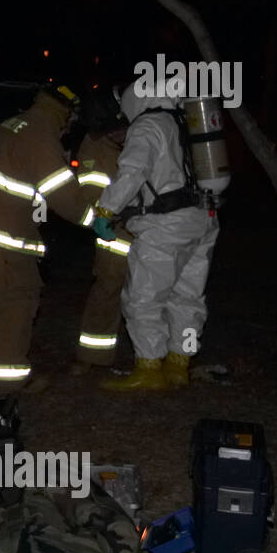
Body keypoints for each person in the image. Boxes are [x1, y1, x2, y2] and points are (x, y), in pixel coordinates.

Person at [0, 84, 95, 393]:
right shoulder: (40, 136)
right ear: (64, 112)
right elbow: (63, 196)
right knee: (14, 303)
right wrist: (94, 219)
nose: (71, 125)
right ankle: (8, 383)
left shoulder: (8, 125)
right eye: (71, 117)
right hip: (4, 239)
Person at [92, 77, 219, 391]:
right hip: (203, 219)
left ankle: (149, 369)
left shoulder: (148, 126)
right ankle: (179, 363)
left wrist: (106, 211)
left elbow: (132, 172)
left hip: (166, 226)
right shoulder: (184, 123)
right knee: (188, 296)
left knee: (143, 298)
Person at [70, 91, 133, 373]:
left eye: (122, 127)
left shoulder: (143, 134)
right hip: (115, 234)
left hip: (152, 232)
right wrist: (107, 213)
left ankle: (153, 357)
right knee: (107, 289)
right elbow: (89, 188)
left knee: (152, 294)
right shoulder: (93, 145)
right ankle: (92, 356)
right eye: (113, 130)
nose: (119, 134)